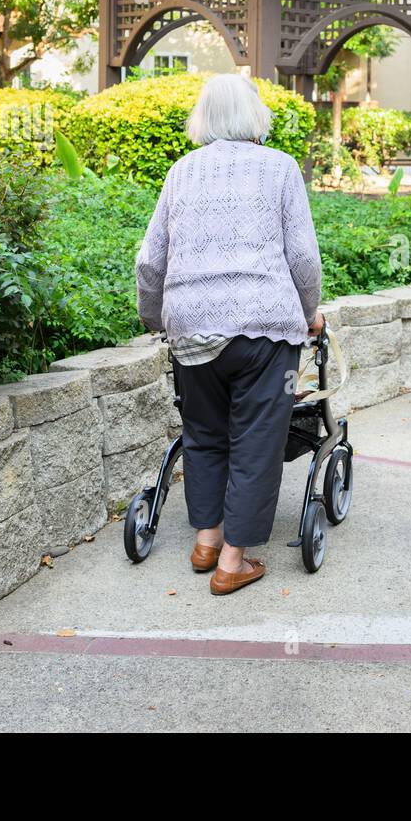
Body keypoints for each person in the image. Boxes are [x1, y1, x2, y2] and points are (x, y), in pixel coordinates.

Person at [136, 73, 323, 595]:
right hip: (264, 329)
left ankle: (206, 541)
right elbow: (303, 258)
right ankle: (233, 563)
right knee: (256, 441)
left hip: (192, 329)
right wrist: (309, 312)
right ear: (255, 115)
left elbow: (150, 262)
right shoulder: (280, 169)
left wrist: (157, 318)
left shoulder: (182, 172)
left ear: (204, 118)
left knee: (203, 434)